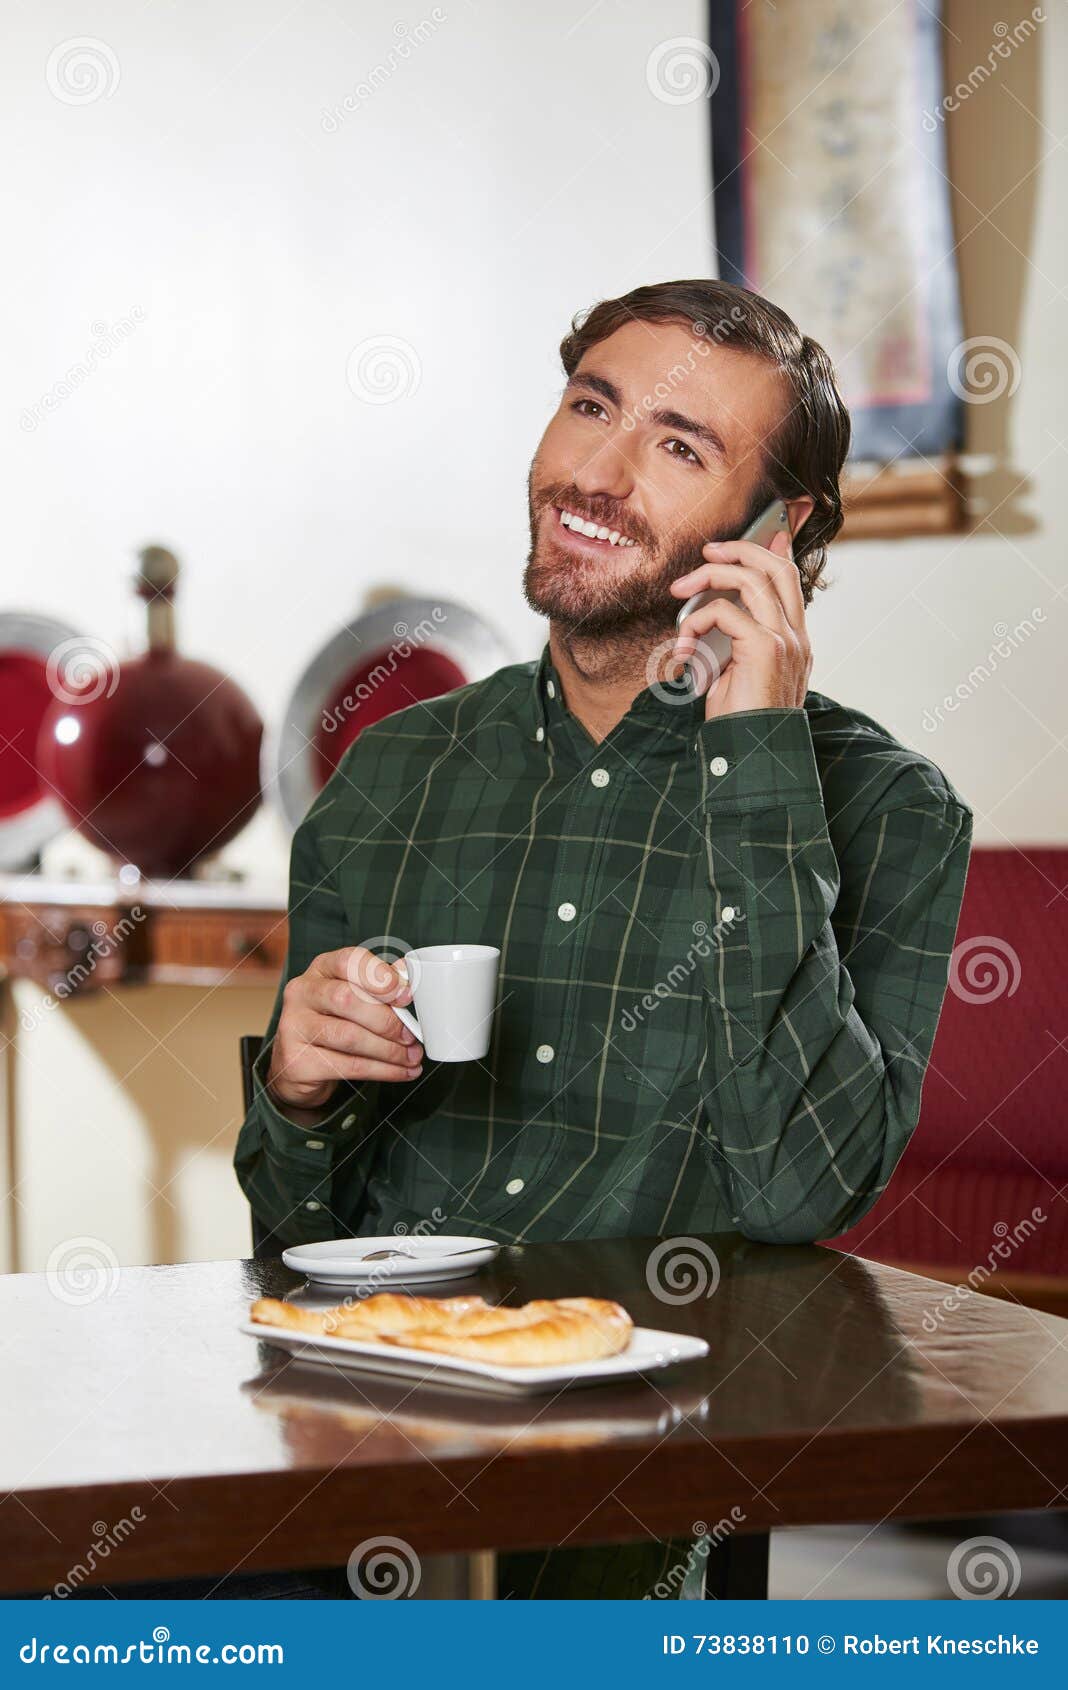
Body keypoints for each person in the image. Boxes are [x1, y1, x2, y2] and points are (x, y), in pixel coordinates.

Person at [234, 279, 973, 1600]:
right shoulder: (390, 772)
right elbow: (292, 1221)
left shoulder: (887, 810)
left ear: (778, 525)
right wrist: (297, 1087)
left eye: (679, 446)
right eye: (592, 407)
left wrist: (758, 754)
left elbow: (806, 1187)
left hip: (641, 1480)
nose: (598, 469)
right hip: (361, 1428)